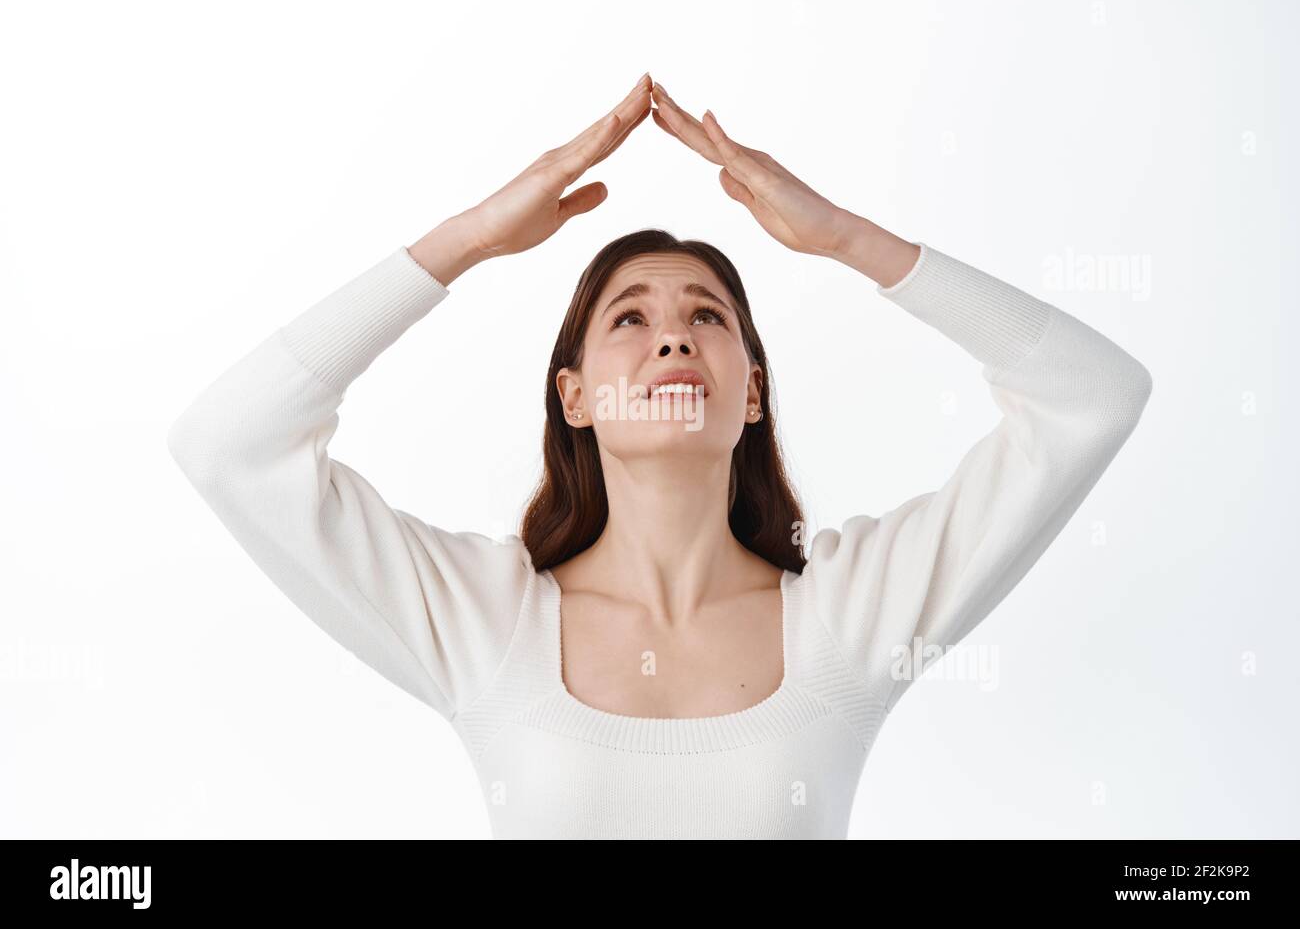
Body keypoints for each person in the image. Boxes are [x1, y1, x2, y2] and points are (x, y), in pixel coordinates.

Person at [167, 73, 1153, 838]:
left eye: (707, 316)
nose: (672, 340)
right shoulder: (481, 615)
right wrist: (466, 240)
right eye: (630, 318)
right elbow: (229, 443)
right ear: (576, 395)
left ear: (752, 388)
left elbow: (1091, 396)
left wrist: (847, 238)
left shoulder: (852, 614)